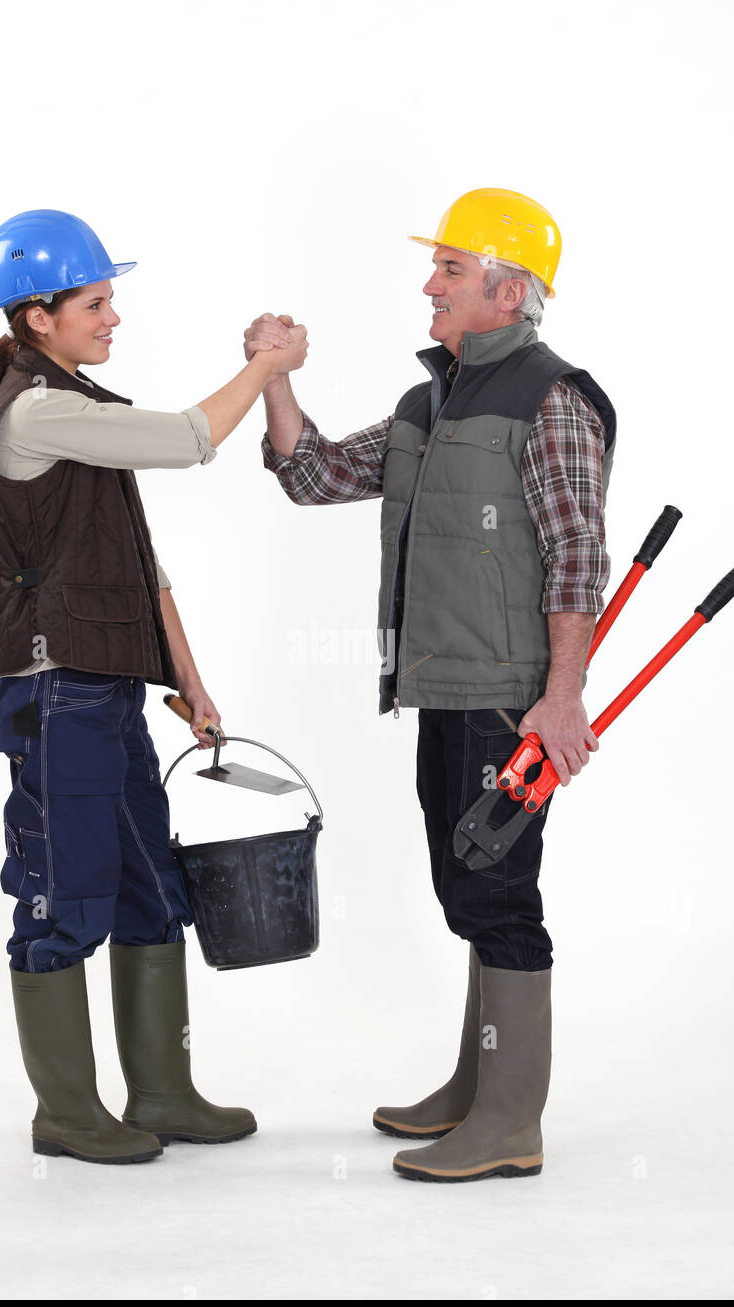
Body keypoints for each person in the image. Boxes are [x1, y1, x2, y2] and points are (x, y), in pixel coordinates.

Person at [248, 188, 617, 1183]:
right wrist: (276, 381)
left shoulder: (550, 396)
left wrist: (562, 694)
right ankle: (474, 1087)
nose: (429, 282)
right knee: (466, 883)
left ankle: (508, 1122)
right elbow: (315, 472)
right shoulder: (429, 402)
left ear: (505, 290)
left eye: (449, 269)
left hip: (507, 695)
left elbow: (577, 547)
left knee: (495, 891)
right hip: (443, 688)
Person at [0, 208, 306, 1164]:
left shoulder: (87, 412)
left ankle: (161, 1092)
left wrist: (189, 683)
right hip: (54, 690)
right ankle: (66, 1112)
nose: (114, 320)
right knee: (64, 893)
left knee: (153, 887)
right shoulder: (37, 411)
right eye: (97, 303)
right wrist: (268, 366)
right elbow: (196, 437)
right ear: (37, 318)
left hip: (109, 689)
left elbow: (144, 571)